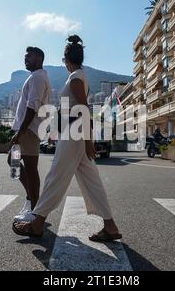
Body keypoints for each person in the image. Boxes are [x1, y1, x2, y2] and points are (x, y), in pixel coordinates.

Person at [13, 35, 122, 242]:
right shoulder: (80, 75)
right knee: (92, 181)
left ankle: (37, 223)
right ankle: (110, 226)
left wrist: (88, 140)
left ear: (65, 60)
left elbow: (83, 110)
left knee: (55, 176)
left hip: (75, 133)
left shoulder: (75, 78)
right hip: (73, 132)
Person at [11, 47, 51, 223]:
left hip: (28, 130)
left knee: (30, 168)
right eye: (25, 56)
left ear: (39, 58)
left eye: (29, 56)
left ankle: (34, 208)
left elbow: (32, 106)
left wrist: (21, 131)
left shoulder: (37, 77)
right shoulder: (36, 76)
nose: (25, 59)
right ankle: (32, 201)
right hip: (26, 129)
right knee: (13, 162)